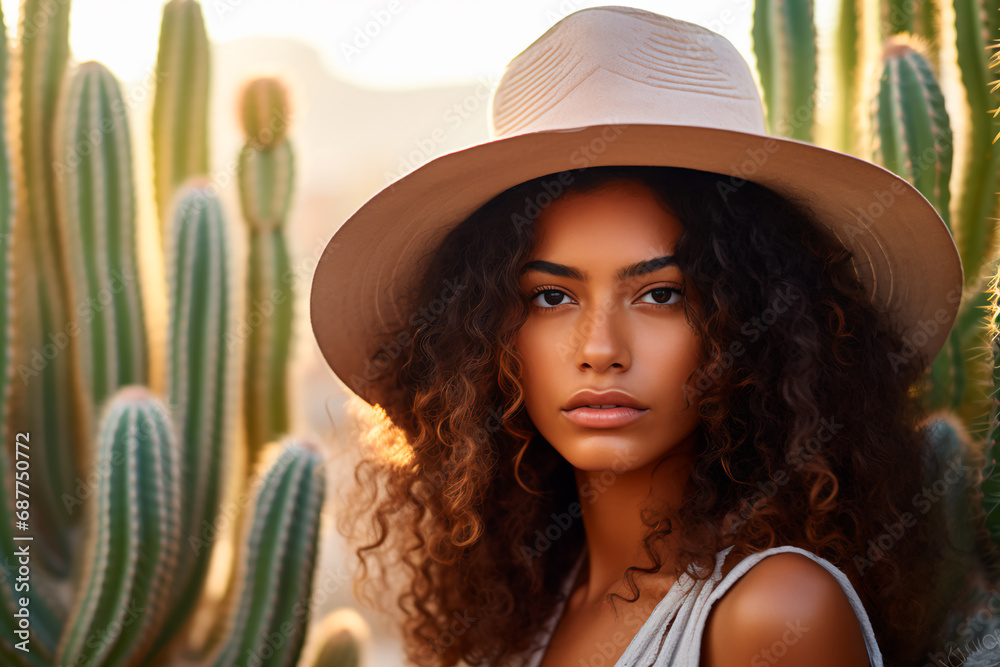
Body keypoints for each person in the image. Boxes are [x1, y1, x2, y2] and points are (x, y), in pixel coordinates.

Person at [309, 6, 962, 667]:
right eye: (552, 296)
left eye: (661, 294)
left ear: (757, 323)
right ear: (485, 338)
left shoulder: (773, 612)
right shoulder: (532, 605)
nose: (599, 347)